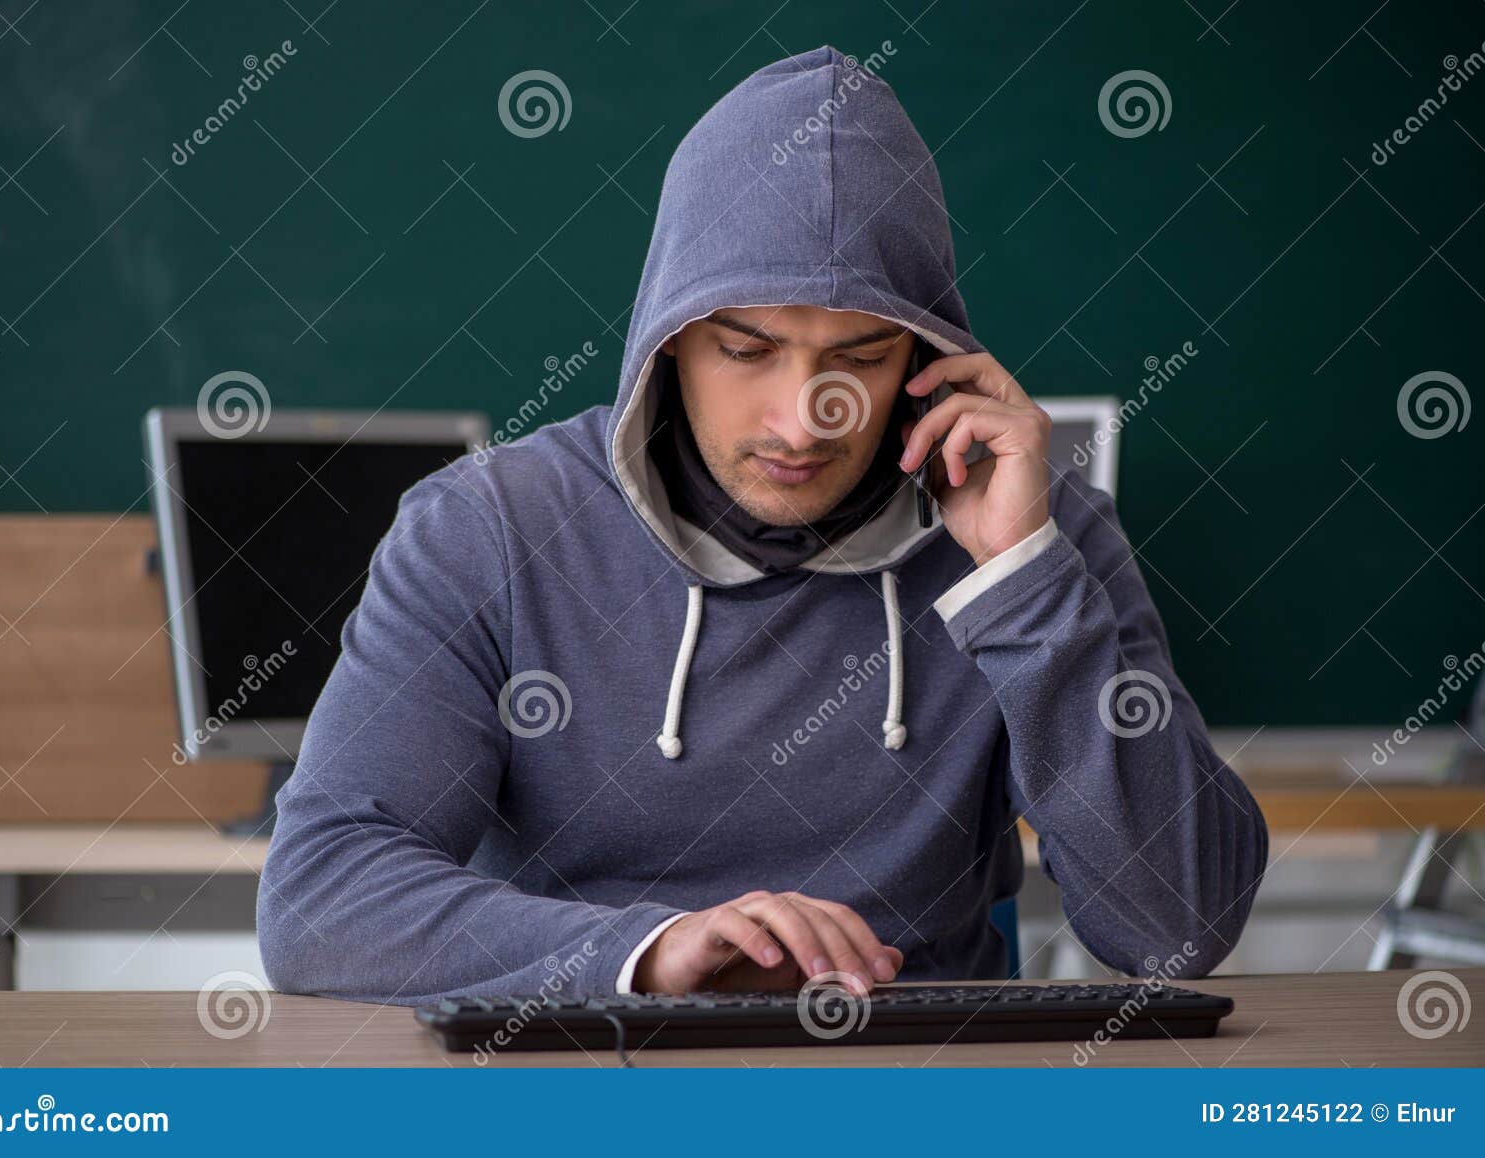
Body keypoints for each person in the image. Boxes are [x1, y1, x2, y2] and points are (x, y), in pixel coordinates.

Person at [256, 45, 1268, 1002]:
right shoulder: (487, 531)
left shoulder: (1040, 534)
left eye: (862, 356)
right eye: (746, 350)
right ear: (670, 341)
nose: (803, 419)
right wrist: (645, 953)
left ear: (926, 359)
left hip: (919, 1097)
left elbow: (1175, 929)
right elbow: (322, 898)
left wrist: (1023, 579)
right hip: (579, 1079)